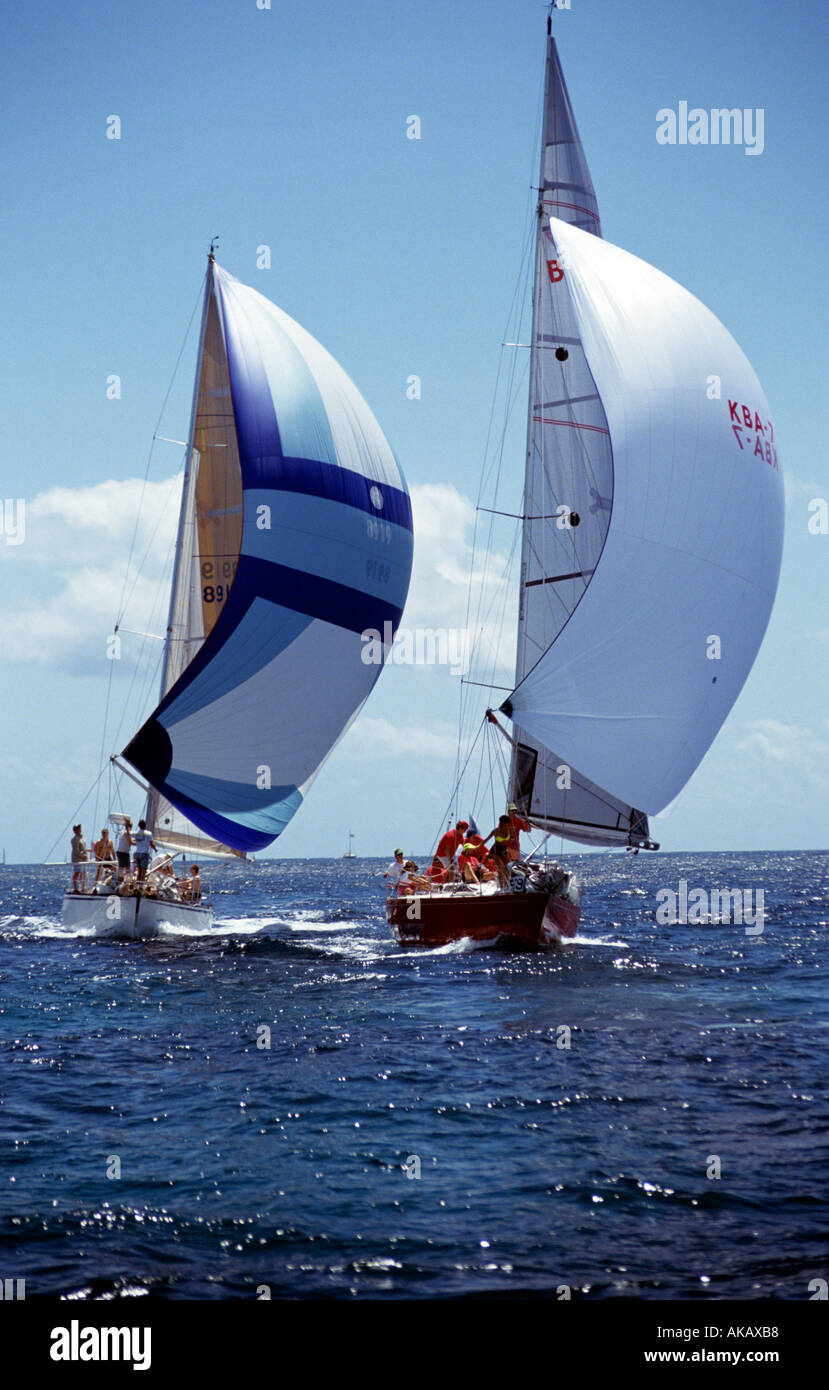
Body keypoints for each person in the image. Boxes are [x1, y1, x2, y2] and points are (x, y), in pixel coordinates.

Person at [483, 815, 513, 889]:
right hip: (495, 850)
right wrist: (478, 847)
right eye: (502, 823)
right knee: (501, 868)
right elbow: (486, 840)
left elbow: (512, 839)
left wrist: (511, 839)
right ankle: (501, 887)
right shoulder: (496, 831)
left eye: (506, 824)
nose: (504, 825)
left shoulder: (510, 830)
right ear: (500, 823)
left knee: (508, 869)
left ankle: (506, 886)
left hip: (504, 850)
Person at [132, 819, 156, 883]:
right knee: (143, 872)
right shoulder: (149, 833)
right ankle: (140, 886)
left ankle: (137, 884)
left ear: (139, 826)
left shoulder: (136, 833)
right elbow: (151, 843)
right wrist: (155, 849)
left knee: (139, 871)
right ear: (145, 825)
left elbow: (130, 836)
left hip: (137, 853)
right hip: (144, 854)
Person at [70, 825, 88, 893]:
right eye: (78, 828)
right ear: (75, 830)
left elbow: (83, 848)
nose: (80, 829)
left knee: (83, 872)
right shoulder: (75, 839)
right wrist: (83, 855)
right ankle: (75, 888)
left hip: (83, 859)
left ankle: (83, 887)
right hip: (77, 859)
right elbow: (76, 851)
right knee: (77, 873)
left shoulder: (82, 838)